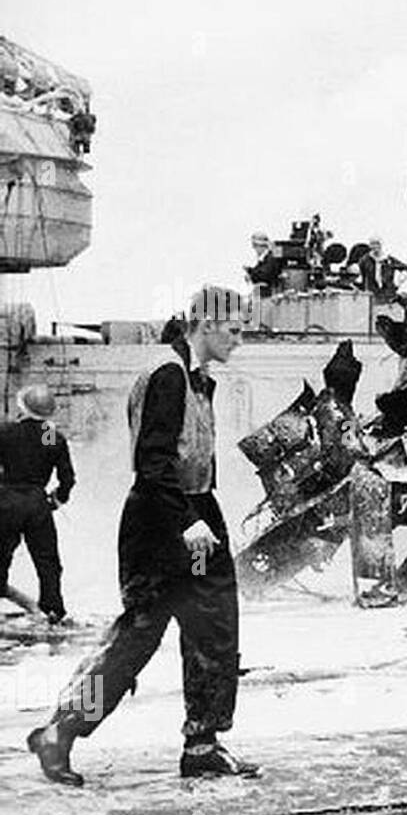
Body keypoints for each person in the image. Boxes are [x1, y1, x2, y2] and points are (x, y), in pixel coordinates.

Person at [27, 286, 259, 786]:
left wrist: (200, 517)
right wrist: (188, 521)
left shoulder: (196, 378)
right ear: (207, 324)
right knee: (138, 636)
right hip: (166, 524)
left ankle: (203, 743)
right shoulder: (169, 375)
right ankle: (60, 731)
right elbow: (153, 462)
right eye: (235, 329)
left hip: (194, 516)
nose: (240, 340)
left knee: (212, 625)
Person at [0, 384, 75, 624]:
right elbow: (67, 478)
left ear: (22, 407)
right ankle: (53, 610)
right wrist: (58, 499)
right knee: (47, 561)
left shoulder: (5, 431)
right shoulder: (50, 435)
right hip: (38, 504)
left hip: (6, 501)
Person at [244, 232, 283, 298]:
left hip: (268, 295)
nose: (254, 249)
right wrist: (250, 271)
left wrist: (251, 275)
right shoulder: (265, 259)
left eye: (255, 246)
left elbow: (265, 274)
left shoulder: (271, 259)